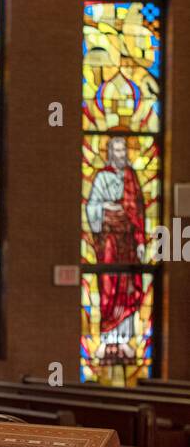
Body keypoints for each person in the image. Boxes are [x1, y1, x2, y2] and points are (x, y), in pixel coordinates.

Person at [85, 135, 146, 362]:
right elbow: (92, 207)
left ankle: (125, 340)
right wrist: (105, 209)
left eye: (124, 151)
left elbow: (138, 214)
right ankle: (108, 338)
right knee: (109, 287)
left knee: (127, 288)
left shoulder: (132, 177)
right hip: (109, 242)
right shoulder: (102, 177)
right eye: (117, 151)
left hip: (128, 243)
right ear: (110, 154)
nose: (122, 155)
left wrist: (140, 242)